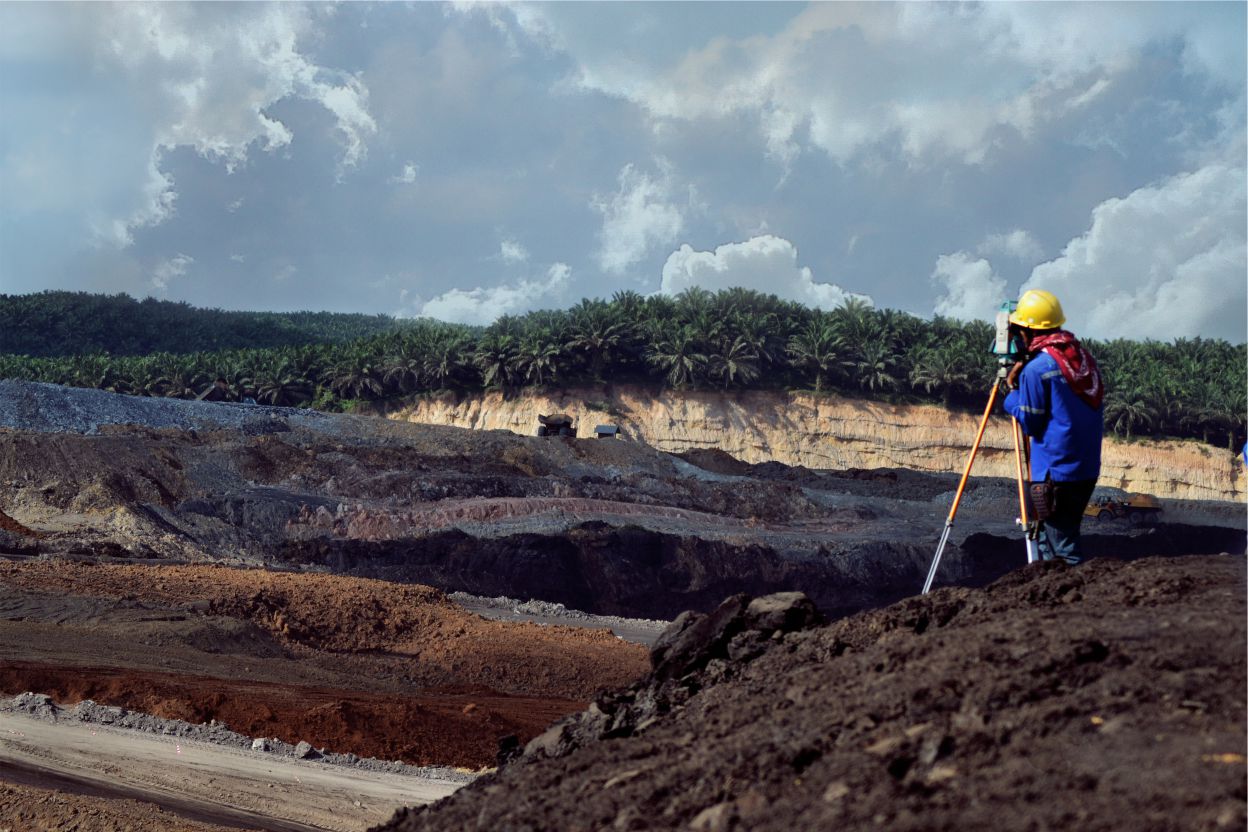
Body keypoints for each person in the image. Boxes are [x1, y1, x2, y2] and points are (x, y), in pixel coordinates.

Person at [1003, 289, 1104, 565]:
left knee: (1062, 548)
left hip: (1056, 471)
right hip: (1085, 468)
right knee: (1059, 537)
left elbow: (1031, 423)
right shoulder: (1082, 360)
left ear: (1028, 331)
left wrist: (1011, 394)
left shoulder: (1037, 369)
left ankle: (1071, 590)